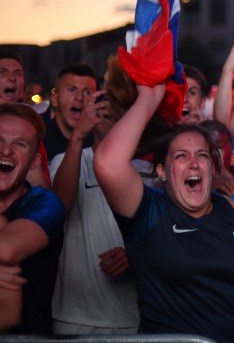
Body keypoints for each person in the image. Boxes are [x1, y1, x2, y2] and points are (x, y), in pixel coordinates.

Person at [93, 78, 234, 343]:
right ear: (162, 171)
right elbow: (108, 163)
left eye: (202, 156)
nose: (193, 164)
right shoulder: (149, 212)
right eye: (181, 156)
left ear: (212, 169)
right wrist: (149, 96)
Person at [49, 88, 139, 334]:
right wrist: (78, 136)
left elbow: (160, 236)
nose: (112, 118)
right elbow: (57, 205)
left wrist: (135, 254)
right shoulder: (68, 159)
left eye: (121, 113)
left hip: (133, 317)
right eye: (104, 112)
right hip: (74, 316)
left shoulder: (147, 170)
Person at [0, 103, 66, 334]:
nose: (6, 151)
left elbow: (6, 250)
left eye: (19, 144)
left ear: (35, 162)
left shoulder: (46, 204)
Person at [44, 63, 98, 162]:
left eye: (87, 92)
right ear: (55, 99)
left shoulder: (97, 142)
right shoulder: (39, 140)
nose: (80, 97)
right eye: (72, 90)